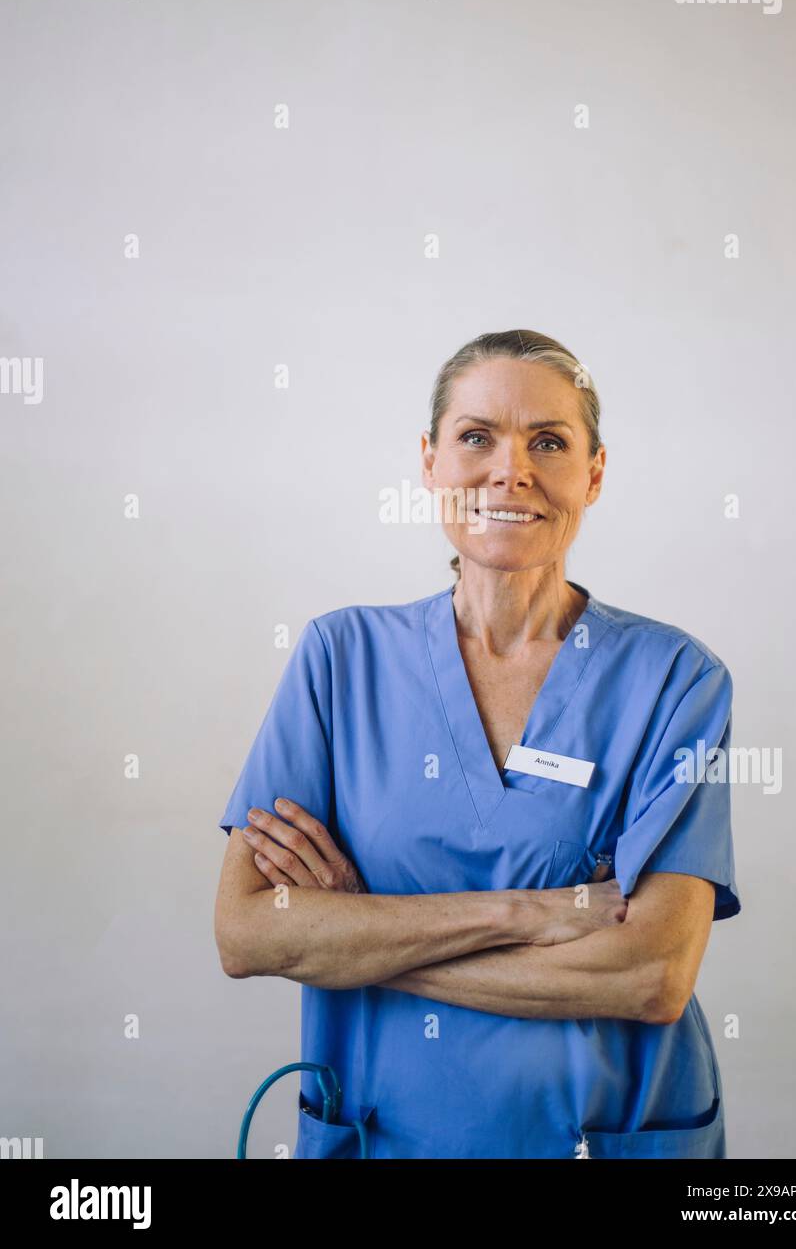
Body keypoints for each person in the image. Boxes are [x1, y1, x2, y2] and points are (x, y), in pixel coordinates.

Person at [214, 328, 740, 1159]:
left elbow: (649, 976)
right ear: (429, 461)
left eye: (549, 442)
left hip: (600, 1137)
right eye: (476, 437)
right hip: (386, 1135)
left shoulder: (675, 680)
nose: (510, 471)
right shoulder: (340, 660)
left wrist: (355, 933)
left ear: (594, 473)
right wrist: (533, 911)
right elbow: (248, 934)